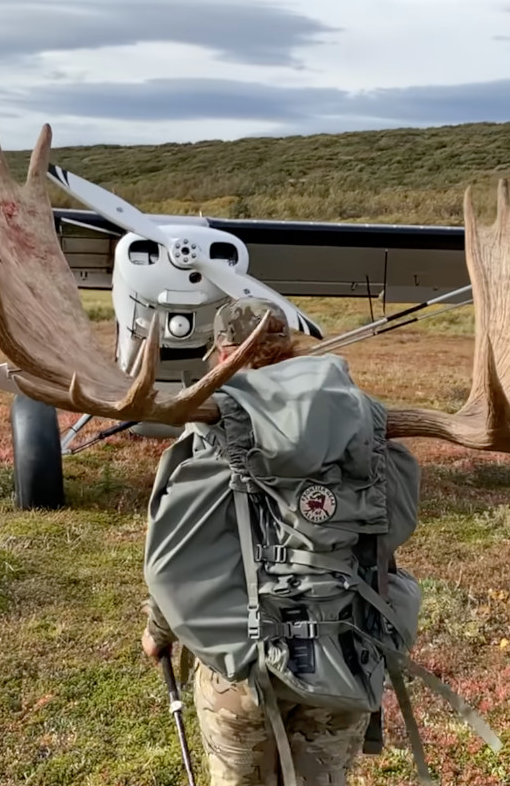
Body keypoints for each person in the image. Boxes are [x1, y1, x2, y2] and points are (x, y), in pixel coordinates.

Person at [141, 297, 371, 786]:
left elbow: (175, 561)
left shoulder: (214, 429)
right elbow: (382, 547)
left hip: (243, 670)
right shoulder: (362, 424)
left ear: (224, 354)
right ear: (288, 348)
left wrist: (159, 632)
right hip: (344, 659)